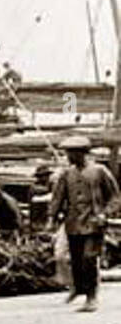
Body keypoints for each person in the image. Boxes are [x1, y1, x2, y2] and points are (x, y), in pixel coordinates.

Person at [49, 134, 120, 312]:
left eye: (71, 153)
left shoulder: (100, 171)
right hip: (73, 224)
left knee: (90, 258)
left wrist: (105, 213)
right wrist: (52, 217)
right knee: (76, 260)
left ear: (82, 153)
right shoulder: (66, 174)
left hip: (94, 222)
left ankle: (91, 296)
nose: (68, 157)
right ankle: (78, 288)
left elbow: (115, 197)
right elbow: (58, 197)